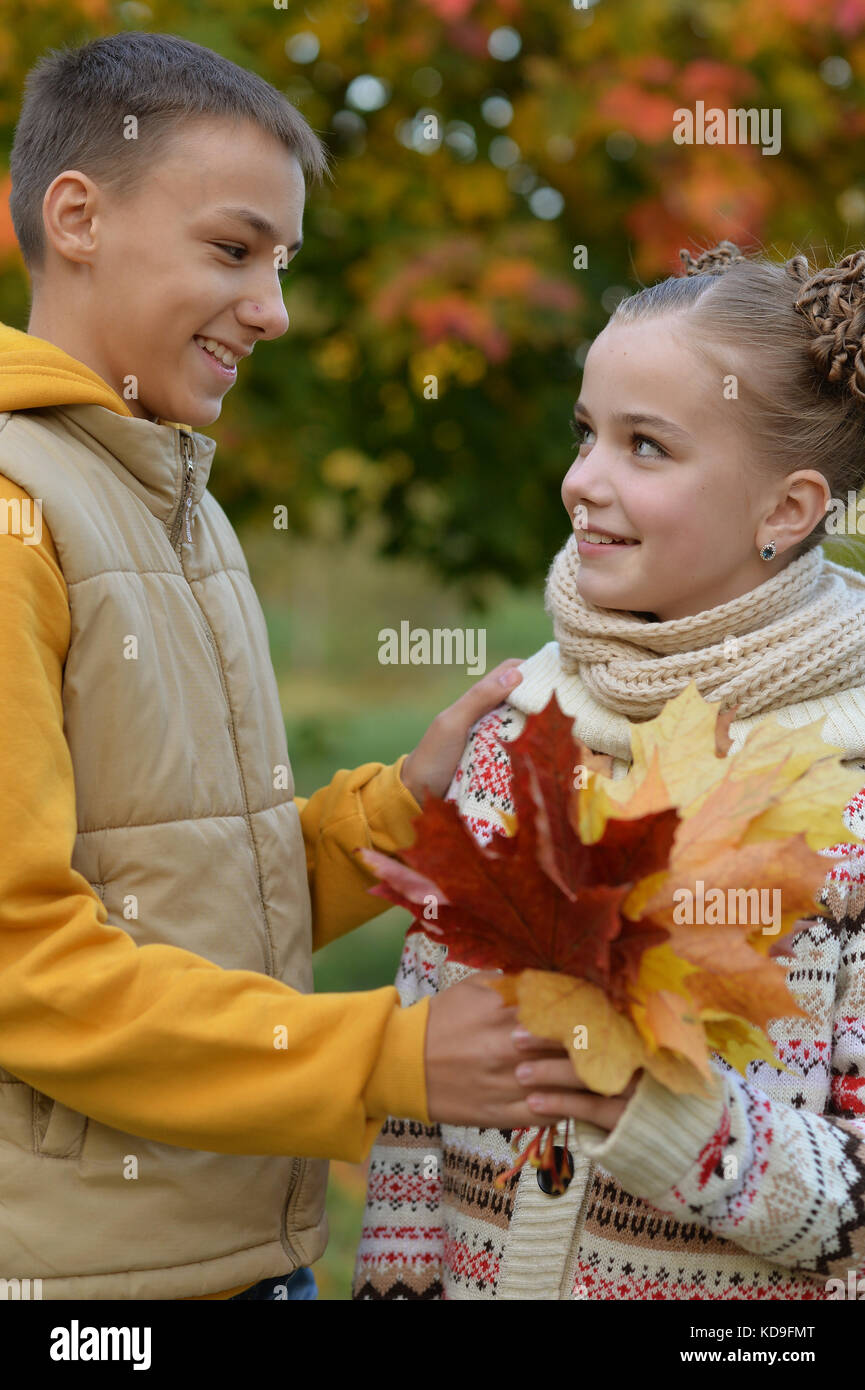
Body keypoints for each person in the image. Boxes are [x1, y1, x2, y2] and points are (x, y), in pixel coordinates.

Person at [0, 31, 582, 1302]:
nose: (273, 307)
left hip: (245, 1257)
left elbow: (178, 887)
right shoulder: (13, 512)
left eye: (283, 263)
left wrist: (398, 810)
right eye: (233, 249)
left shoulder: (180, 505)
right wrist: (389, 1052)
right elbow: (24, 972)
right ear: (78, 216)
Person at [353, 239, 865, 1300]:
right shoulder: (517, 733)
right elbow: (417, 1110)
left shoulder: (843, 791)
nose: (582, 481)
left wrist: (666, 1116)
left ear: (786, 509)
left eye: (645, 448)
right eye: (586, 434)